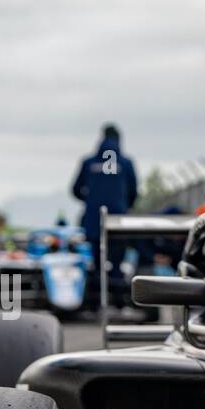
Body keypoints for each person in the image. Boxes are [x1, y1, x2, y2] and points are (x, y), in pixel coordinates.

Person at [72, 123, 138, 308]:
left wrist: (90, 200)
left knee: (95, 261)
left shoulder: (88, 162)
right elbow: (133, 191)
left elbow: (76, 189)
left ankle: (93, 301)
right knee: (116, 262)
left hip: (94, 220)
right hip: (118, 221)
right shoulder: (125, 163)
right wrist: (123, 206)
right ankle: (118, 301)